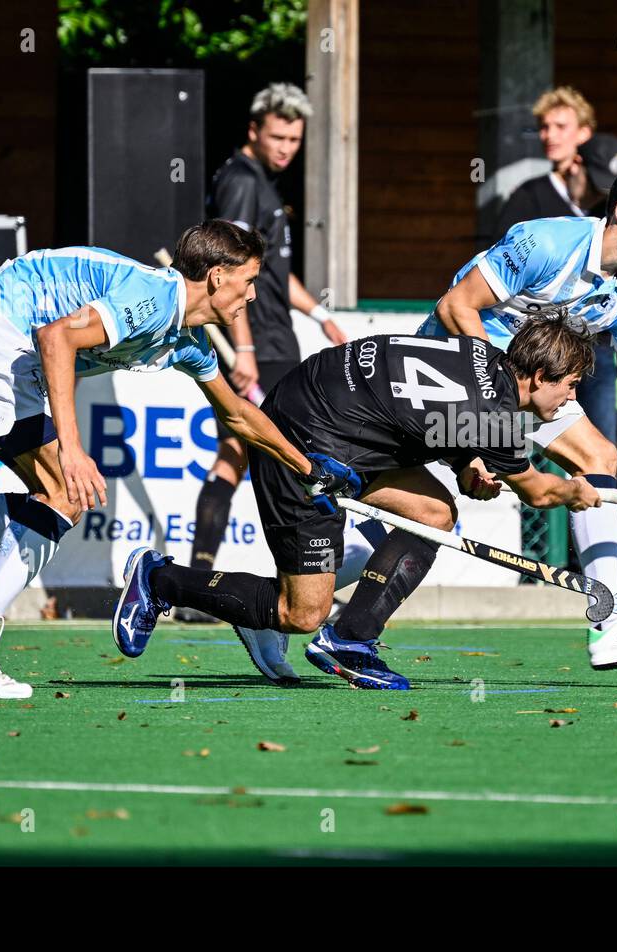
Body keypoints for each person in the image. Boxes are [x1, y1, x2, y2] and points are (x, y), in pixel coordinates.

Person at [0, 221, 358, 698]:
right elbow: (56, 337)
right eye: (248, 281)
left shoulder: (187, 340)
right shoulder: (154, 298)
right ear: (218, 277)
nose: (253, 295)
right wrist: (72, 447)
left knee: (52, 500)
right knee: (64, 493)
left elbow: (239, 415)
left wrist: (309, 468)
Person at [114, 319, 617, 689]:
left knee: (435, 514)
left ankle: (352, 638)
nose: (571, 399)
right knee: (301, 612)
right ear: (540, 374)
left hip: (332, 412)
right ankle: (160, 580)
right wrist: (580, 487)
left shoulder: (479, 356)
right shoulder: (497, 419)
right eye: (569, 386)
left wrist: (466, 466)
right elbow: (541, 492)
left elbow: (427, 416)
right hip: (300, 439)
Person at [419, 160, 617, 659]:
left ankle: (609, 622)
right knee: (406, 511)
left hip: (523, 390)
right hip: (445, 371)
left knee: (599, 458)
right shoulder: (547, 243)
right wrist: (495, 410)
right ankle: (288, 608)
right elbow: (455, 306)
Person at [180, 82, 348, 632]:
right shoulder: (241, 183)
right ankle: (287, 591)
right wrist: (246, 348)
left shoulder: (264, 185)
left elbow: (272, 272)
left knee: (238, 455)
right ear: (254, 130)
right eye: (277, 137)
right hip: (261, 348)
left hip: (276, 342)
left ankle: (199, 585)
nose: (286, 148)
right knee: (284, 459)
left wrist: (319, 314)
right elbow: (230, 274)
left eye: (294, 140)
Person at [492, 86, 617, 448]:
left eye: (560, 126)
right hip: (536, 347)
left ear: (585, 134)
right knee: (523, 448)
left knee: (599, 447)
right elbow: (495, 269)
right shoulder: (529, 196)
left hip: (595, 347)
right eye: (543, 127)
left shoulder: (609, 202)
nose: (548, 135)